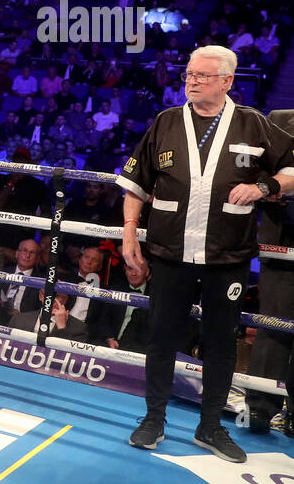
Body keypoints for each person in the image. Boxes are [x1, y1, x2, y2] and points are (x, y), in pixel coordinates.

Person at [119, 47, 294, 462]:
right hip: (168, 251)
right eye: (189, 74)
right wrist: (129, 236)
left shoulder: (255, 124)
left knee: (220, 344)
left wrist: (264, 188)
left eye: (201, 75)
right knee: (161, 337)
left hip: (228, 256)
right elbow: (135, 183)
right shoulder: (165, 121)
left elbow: (291, 169)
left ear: (227, 81)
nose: (191, 80)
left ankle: (211, 426)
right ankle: (153, 419)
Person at [240, 109, 294, 455]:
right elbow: (251, 165)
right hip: (282, 237)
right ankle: (259, 407)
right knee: (274, 323)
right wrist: (266, 186)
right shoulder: (280, 119)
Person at [0, 236, 40, 323]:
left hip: (23, 323)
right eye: (24, 251)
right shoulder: (3, 272)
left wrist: (20, 316)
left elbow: (39, 311)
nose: (27, 255)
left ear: (37, 258)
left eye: (32, 252)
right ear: (17, 253)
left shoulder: (40, 281)